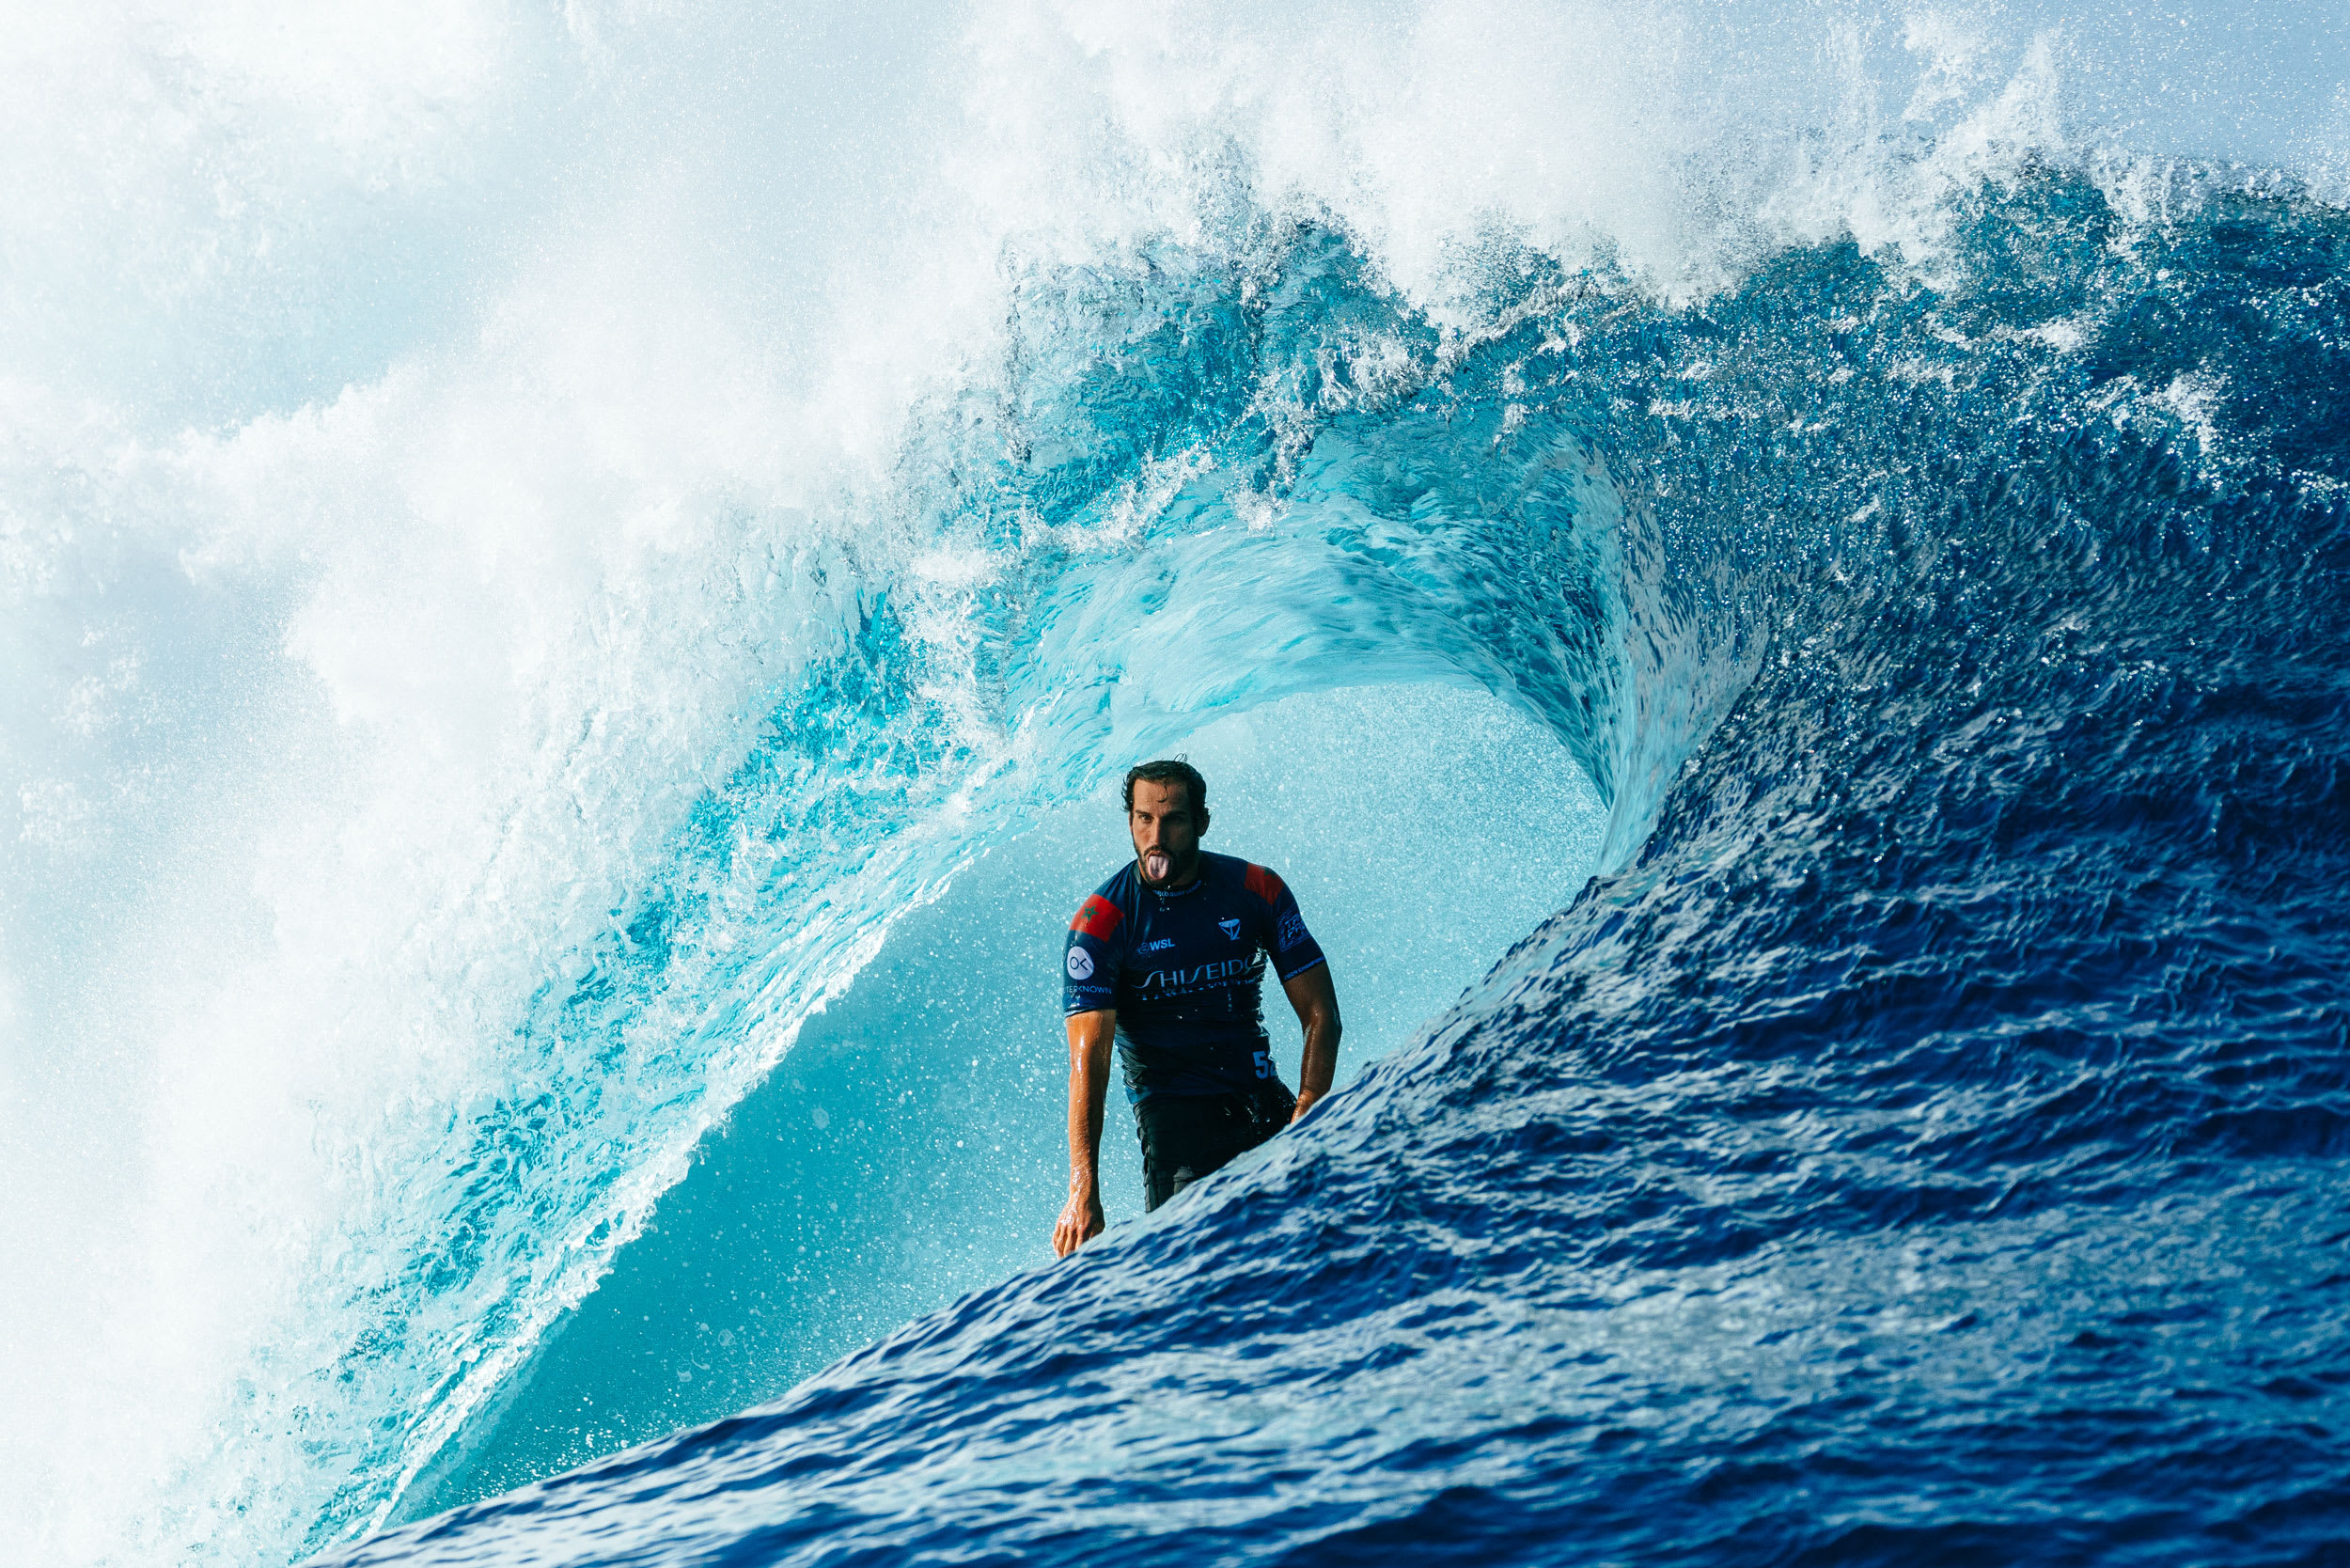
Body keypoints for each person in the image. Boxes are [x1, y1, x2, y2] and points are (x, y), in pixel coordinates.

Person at [1053, 759, 1341, 1257]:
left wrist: (1309, 1109)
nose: (1156, 836)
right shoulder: (1101, 925)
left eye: (1174, 820)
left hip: (1261, 1097)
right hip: (1175, 1126)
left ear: (1202, 823)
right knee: (1199, 1269)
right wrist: (1083, 1187)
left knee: (1326, 1242)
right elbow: (1088, 1068)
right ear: (1130, 822)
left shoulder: (1256, 890)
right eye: (1144, 819)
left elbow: (1321, 1016)